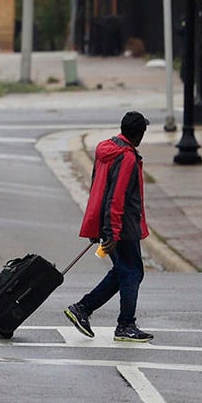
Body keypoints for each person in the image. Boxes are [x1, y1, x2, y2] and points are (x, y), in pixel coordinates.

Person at [65, 111, 154, 342]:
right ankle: (125, 325)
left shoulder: (108, 150)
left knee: (122, 272)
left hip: (110, 223)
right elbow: (116, 197)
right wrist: (111, 232)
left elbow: (99, 187)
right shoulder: (126, 157)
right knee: (133, 273)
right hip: (122, 227)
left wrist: (101, 226)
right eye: (143, 132)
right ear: (138, 134)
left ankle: (83, 309)